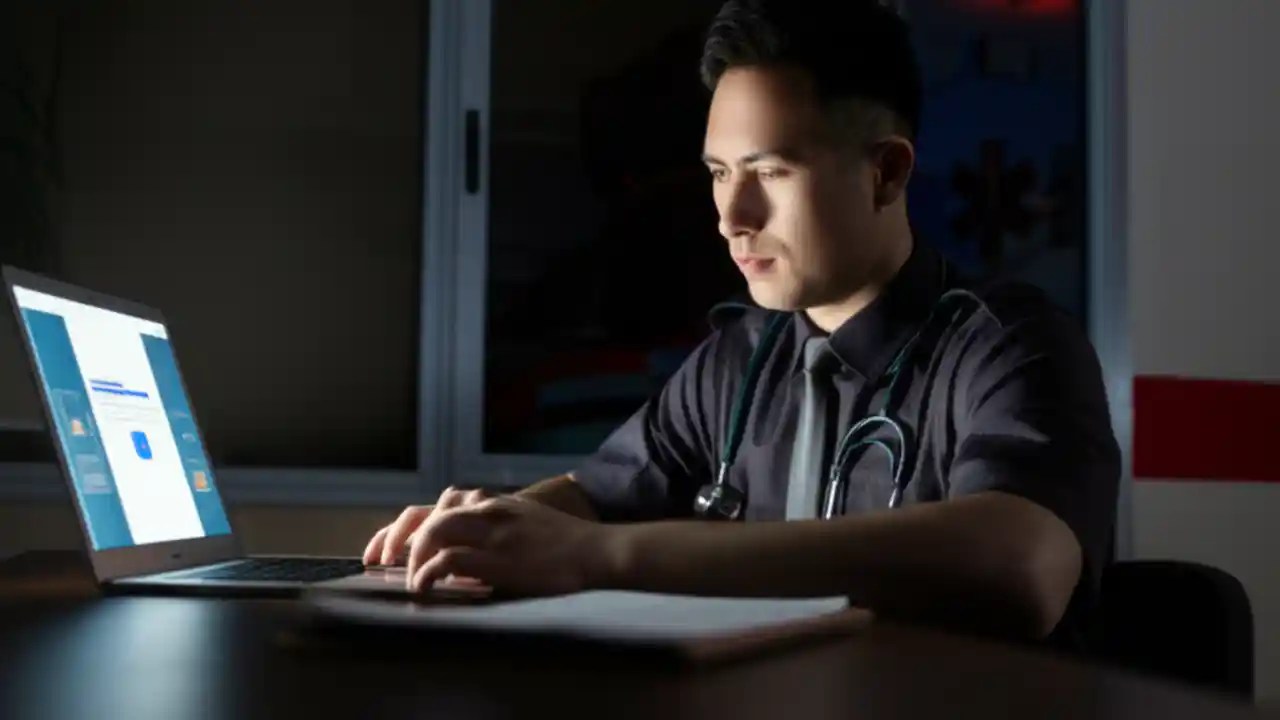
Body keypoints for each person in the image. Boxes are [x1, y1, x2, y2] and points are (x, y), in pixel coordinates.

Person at [362, 0, 1119, 649]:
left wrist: (606, 557)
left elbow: (1021, 564)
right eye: (720, 174)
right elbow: (599, 494)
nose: (731, 218)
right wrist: (491, 526)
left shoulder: (1009, 346)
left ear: (885, 172)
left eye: (770, 173)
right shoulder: (741, 361)